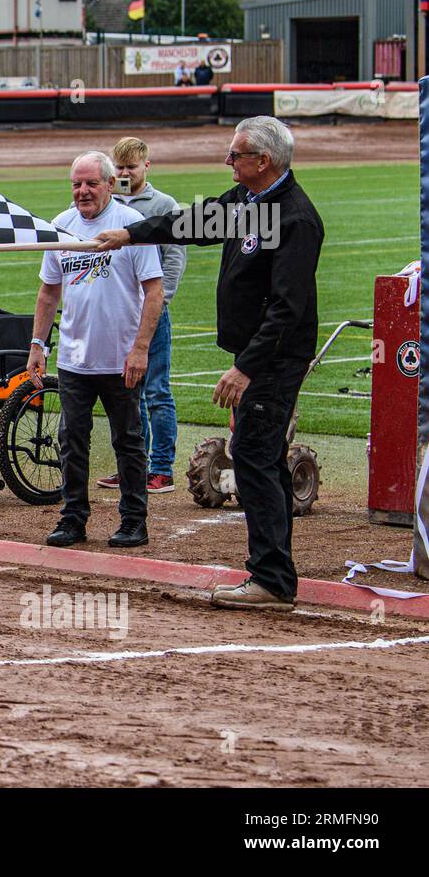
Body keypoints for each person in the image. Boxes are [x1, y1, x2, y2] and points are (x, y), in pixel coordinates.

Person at [96, 116, 324, 611]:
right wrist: (129, 235)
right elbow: (187, 223)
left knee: (255, 456)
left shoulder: (294, 218)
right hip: (258, 355)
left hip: (275, 359)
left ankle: (271, 580)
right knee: (260, 457)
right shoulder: (246, 202)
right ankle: (275, 574)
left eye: (237, 154)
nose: (228, 161)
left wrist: (245, 367)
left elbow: (289, 308)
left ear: (264, 161)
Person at [29, 151, 164, 550]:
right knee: (71, 440)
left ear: (109, 184)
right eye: (76, 184)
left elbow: (154, 292)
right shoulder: (61, 226)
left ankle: (133, 521)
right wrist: (38, 344)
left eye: (90, 183)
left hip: (121, 358)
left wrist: (140, 349)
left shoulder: (130, 226)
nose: (82, 191)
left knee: (128, 440)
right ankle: (72, 519)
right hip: (75, 358)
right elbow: (49, 290)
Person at [96, 137, 184, 494]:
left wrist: (163, 298)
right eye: (119, 168)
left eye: (131, 167)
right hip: (118, 311)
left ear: (147, 166)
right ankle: (133, 464)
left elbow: (175, 254)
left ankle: (161, 468)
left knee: (157, 391)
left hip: (150, 310)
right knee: (124, 392)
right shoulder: (107, 202)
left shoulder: (163, 204)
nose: (125, 173)